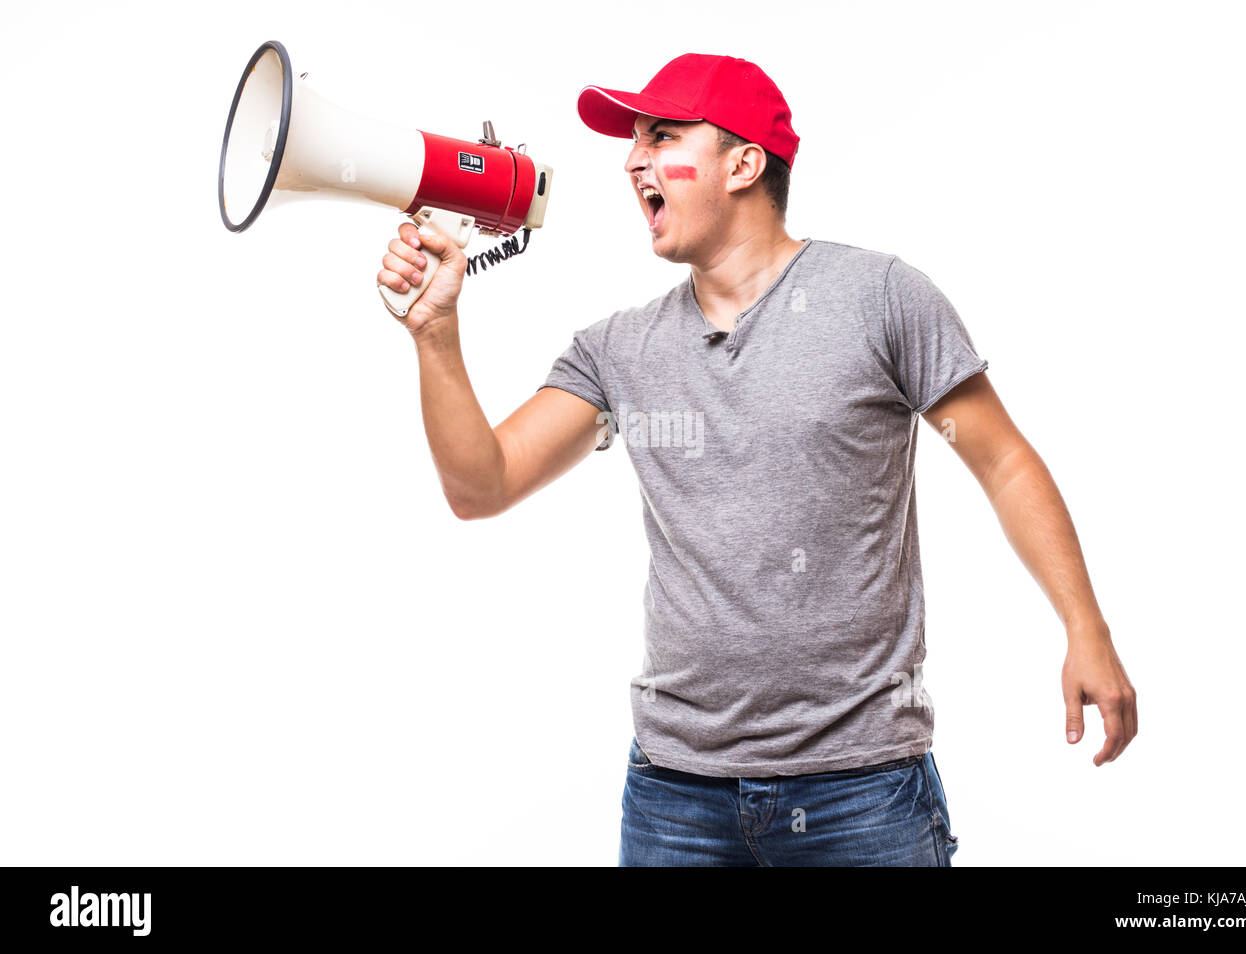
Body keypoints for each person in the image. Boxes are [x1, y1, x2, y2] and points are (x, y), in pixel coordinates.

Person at [375, 53, 1137, 867]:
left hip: (864, 791)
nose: (633, 159)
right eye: (632, 141)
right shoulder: (618, 349)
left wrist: (1085, 627)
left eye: (661, 135)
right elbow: (481, 485)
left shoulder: (881, 298)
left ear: (743, 163)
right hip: (675, 799)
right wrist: (435, 332)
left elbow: (1005, 463)